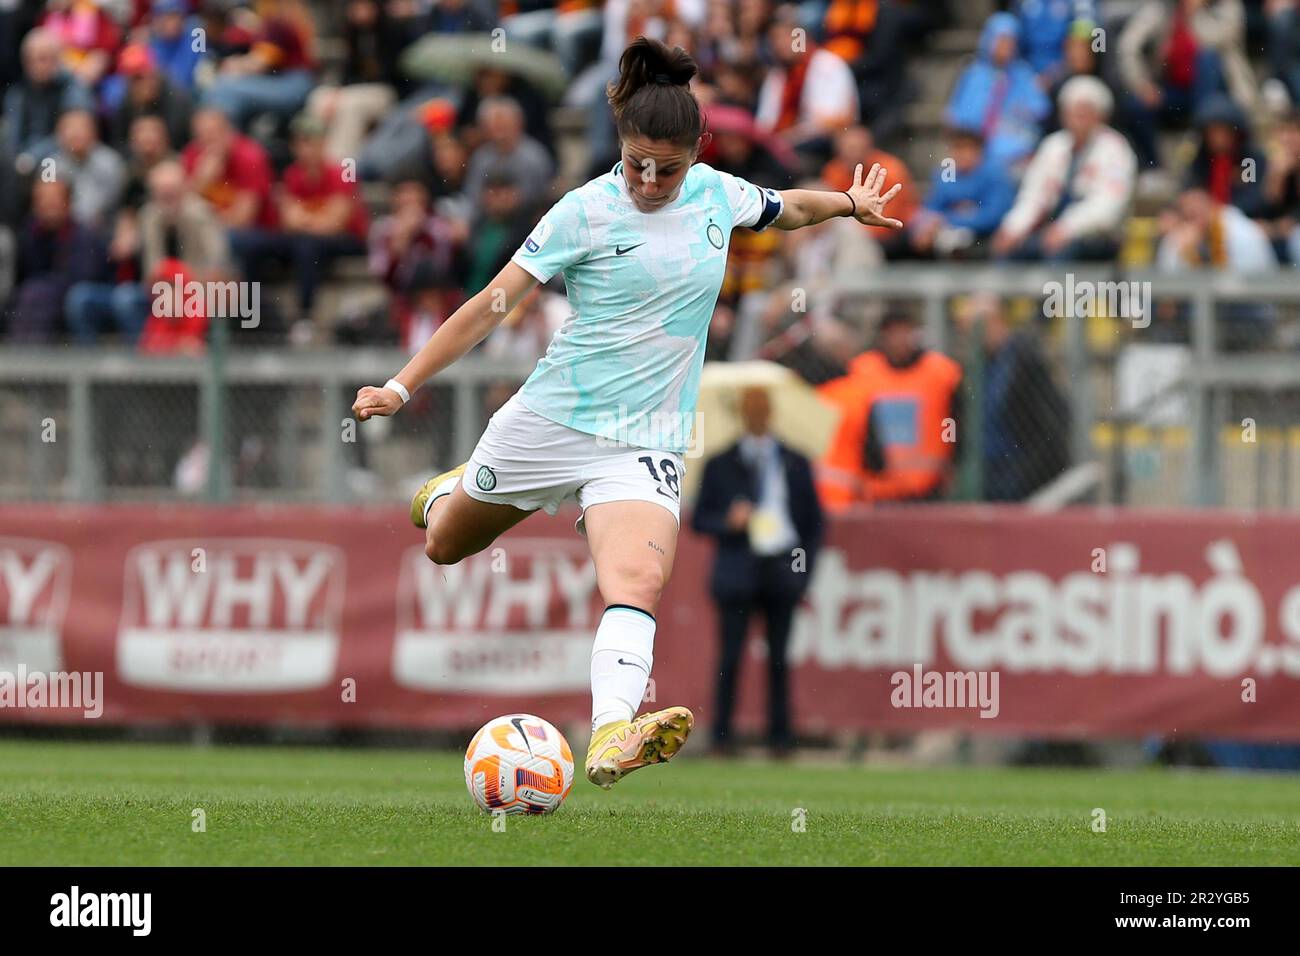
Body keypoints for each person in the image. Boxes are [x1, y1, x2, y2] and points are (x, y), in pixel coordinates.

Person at [351, 37, 904, 791]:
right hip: (551, 419)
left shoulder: (717, 194)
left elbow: (789, 207)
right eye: (637, 162)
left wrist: (849, 204)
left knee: (637, 577)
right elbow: (491, 307)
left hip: (644, 440)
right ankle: (446, 491)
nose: (649, 180)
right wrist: (401, 386)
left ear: (694, 153)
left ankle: (612, 729)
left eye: (667, 167)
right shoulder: (583, 211)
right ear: (620, 144)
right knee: (445, 544)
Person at [691, 386, 822, 757]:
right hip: (737, 571)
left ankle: (780, 737)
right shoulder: (721, 462)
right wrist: (728, 522)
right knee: (730, 656)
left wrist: (802, 570)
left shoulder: (794, 461)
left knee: (779, 658)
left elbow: (813, 523)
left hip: (780, 570)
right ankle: (722, 737)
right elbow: (700, 520)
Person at [815, 311, 963, 508]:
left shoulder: (941, 372)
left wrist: (950, 459)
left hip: (926, 487)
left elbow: (953, 422)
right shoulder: (863, 369)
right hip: (874, 489)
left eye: (904, 332)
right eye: (892, 333)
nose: (898, 340)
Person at [992, 75, 1136, 262]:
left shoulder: (1115, 148)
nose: (1078, 120)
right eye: (1073, 113)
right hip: (1052, 231)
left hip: (1095, 236)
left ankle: (1054, 292)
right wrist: (1013, 228)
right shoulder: (1053, 145)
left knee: (1060, 253)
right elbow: (1034, 195)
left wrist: (1067, 228)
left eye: (1085, 113)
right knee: (1008, 249)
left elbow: (1108, 206)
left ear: (1100, 116)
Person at [954, 293, 1071, 501]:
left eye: (974, 330)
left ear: (996, 323)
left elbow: (1051, 422)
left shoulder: (1023, 362)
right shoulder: (972, 368)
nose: (969, 339)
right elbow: (954, 420)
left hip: (1016, 471)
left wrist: (1024, 474)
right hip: (984, 470)